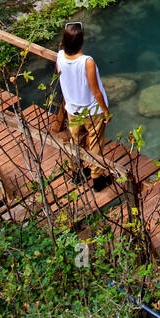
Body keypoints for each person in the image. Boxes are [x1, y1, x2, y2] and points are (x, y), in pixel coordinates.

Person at [55, 21, 112, 191]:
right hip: (92, 109)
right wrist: (106, 112)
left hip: (72, 109)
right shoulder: (87, 62)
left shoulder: (60, 58)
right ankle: (97, 179)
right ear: (82, 41)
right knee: (95, 143)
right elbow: (96, 91)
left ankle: (77, 173)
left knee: (76, 141)